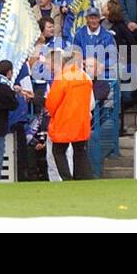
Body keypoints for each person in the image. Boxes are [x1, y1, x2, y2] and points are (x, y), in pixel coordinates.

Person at [45, 50, 94, 181]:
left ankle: (67, 178)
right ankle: (85, 177)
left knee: (58, 151)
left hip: (64, 120)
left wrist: (51, 112)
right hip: (81, 121)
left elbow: (52, 102)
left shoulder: (62, 77)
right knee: (80, 151)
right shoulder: (84, 78)